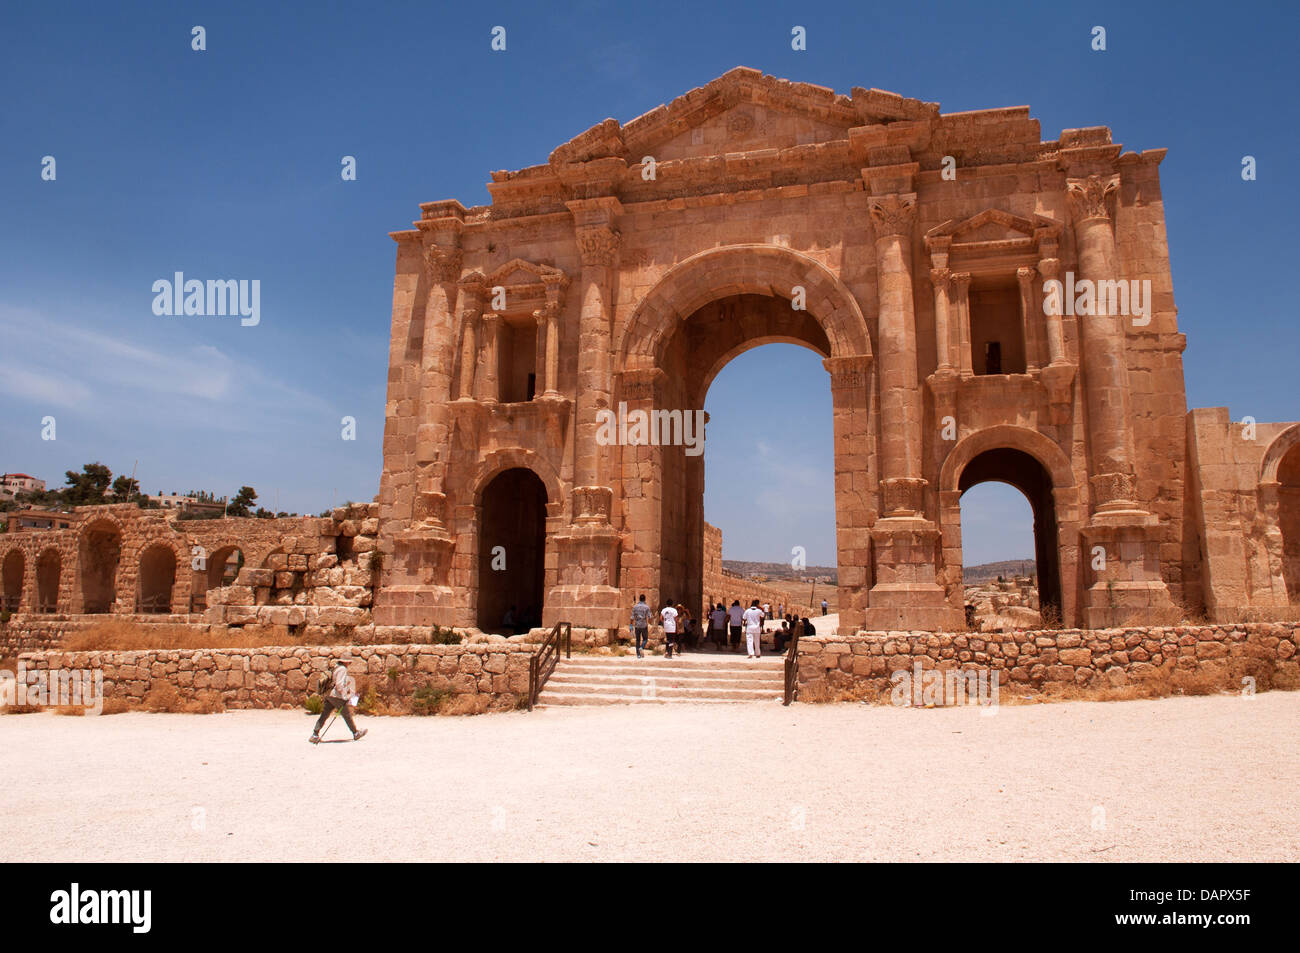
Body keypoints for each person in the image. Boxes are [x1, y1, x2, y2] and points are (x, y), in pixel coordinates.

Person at [310, 659, 367, 744]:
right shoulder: (342, 669)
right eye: (349, 662)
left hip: (329, 695)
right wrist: (344, 696)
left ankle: (315, 734)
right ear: (346, 662)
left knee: (324, 715)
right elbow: (339, 684)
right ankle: (355, 733)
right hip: (336, 695)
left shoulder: (335, 667)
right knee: (346, 714)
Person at [631, 594, 652, 658]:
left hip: (637, 625)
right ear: (645, 599)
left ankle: (638, 655)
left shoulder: (635, 607)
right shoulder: (647, 607)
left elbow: (632, 617)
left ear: (639, 599)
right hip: (644, 625)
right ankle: (642, 647)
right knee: (645, 639)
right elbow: (649, 617)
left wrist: (631, 625)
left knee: (637, 640)